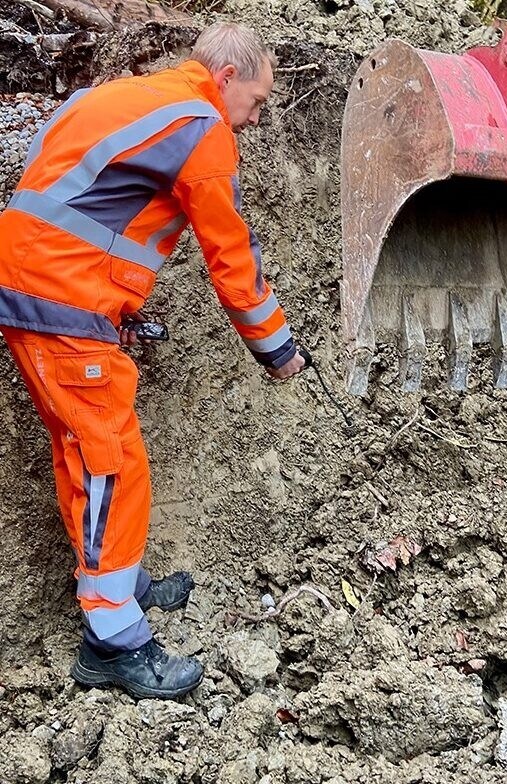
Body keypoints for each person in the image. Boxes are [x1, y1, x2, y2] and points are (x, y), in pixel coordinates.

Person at [0, 21, 305, 700]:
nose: (255, 120)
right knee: (111, 461)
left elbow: (74, 196)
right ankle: (113, 642)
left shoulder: (123, 97)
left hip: (34, 284)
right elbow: (233, 258)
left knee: (83, 451)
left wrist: (108, 301)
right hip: (59, 297)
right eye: (256, 102)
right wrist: (277, 348)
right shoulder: (202, 125)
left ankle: (119, 581)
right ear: (226, 78)